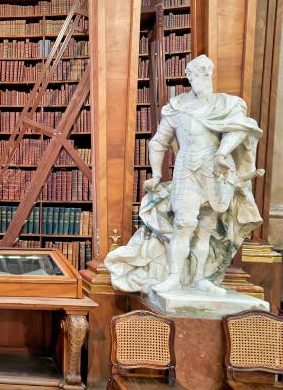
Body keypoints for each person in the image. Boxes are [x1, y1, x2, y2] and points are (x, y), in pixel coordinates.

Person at [105, 54, 263, 295]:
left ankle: (200, 278)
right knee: (184, 224)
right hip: (187, 168)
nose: (201, 77)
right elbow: (158, 143)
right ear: (188, 76)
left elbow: (242, 129)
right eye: (196, 73)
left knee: (206, 228)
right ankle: (175, 277)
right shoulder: (177, 107)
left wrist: (223, 153)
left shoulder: (226, 104)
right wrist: (156, 174)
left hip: (216, 172)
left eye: (206, 72)